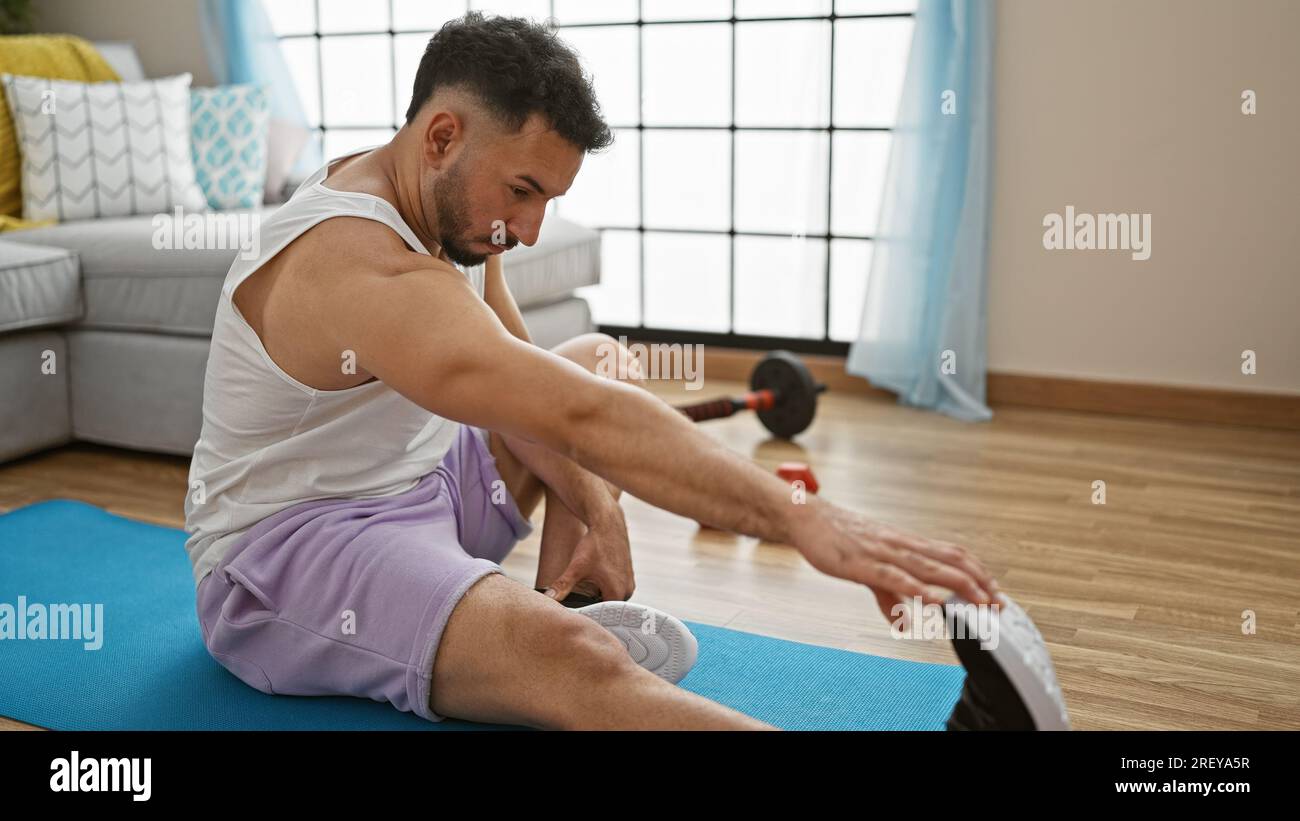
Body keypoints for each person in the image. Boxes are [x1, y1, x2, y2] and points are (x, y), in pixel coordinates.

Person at [183, 12, 1007, 731]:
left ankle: (543, 612)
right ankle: (552, 648)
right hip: (289, 559)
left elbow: (535, 388)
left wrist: (598, 504)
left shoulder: (442, 199)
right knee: (576, 660)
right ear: (441, 137)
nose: (532, 230)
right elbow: (576, 418)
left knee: (599, 356)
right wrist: (804, 520)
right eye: (524, 190)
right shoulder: (356, 268)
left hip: (425, 491)